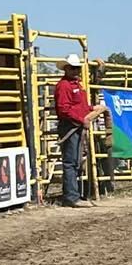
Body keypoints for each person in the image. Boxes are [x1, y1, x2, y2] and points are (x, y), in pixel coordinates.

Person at [52, 54, 94, 208]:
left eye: (77, 68)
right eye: (73, 68)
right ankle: (71, 197)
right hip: (70, 126)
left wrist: (90, 110)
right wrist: (82, 118)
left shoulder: (77, 85)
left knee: (75, 161)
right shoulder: (64, 86)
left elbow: (78, 106)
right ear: (66, 68)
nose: (76, 70)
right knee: (71, 162)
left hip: (76, 126)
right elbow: (64, 109)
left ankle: (74, 195)